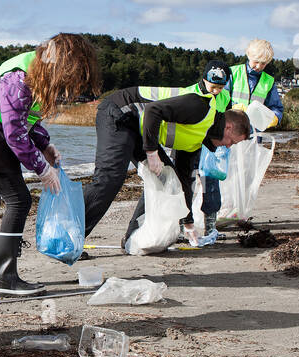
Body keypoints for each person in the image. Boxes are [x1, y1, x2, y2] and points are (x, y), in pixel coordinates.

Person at [0, 34, 100, 296]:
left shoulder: (40, 74)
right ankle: (5, 279)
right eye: (72, 74)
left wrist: (45, 145)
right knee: (19, 200)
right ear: (60, 64)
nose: (72, 83)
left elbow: (26, 120)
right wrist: (42, 170)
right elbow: (14, 133)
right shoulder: (19, 78)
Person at [82, 62, 250, 241]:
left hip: (139, 128)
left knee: (167, 179)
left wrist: (188, 223)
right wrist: (152, 152)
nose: (228, 146)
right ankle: (70, 235)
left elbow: (184, 181)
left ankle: (134, 238)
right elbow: (153, 111)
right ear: (229, 127)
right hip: (120, 110)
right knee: (110, 178)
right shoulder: (200, 107)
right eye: (232, 141)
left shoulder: (198, 140)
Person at [203, 38, 284, 235]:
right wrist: (231, 109)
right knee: (223, 173)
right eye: (256, 62)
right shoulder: (232, 73)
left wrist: (273, 118)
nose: (258, 66)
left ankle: (238, 211)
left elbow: (277, 108)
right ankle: (221, 211)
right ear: (248, 56)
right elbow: (218, 95)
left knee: (245, 175)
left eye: (263, 64)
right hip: (227, 134)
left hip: (252, 137)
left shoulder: (268, 81)